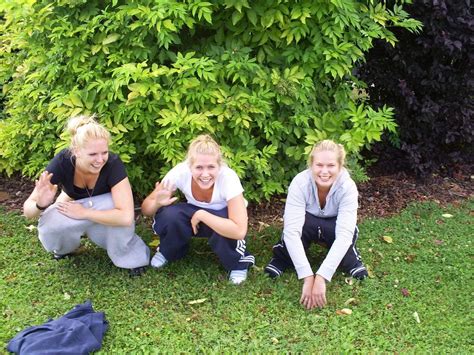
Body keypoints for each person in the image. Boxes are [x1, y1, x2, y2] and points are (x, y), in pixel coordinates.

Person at [23, 115, 150, 276]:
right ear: (77, 151)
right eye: (93, 154)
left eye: (104, 152)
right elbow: (28, 211)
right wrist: (40, 204)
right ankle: (64, 249)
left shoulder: (113, 164)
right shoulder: (62, 161)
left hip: (106, 210)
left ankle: (131, 257)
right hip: (76, 207)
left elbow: (125, 217)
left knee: (114, 207)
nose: (100, 160)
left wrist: (85, 213)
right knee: (51, 222)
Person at [264, 140, 368, 309]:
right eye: (319, 165)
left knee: (345, 238)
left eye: (331, 165)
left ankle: (352, 262)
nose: (324, 171)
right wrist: (306, 275)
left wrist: (321, 277)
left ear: (340, 166)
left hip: (334, 224)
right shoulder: (300, 183)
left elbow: (344, 234)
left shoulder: (348, 187)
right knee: (294, 230)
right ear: (311, 165)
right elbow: (291, 231)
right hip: (309, 221)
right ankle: (282, 259)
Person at [141, 134, 254, 284]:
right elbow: (146, 210)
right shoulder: (180, 172)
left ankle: (238, 263)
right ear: (190, 166)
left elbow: (239, 230)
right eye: (199, 167)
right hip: (193, 217)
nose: (205, 174)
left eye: (211, 167)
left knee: (228, 224)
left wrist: (202, 214)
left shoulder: (228, 178)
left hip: (222, 219)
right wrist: (157, 202)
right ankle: (169, 251)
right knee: (169, 215)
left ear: (219, 166)